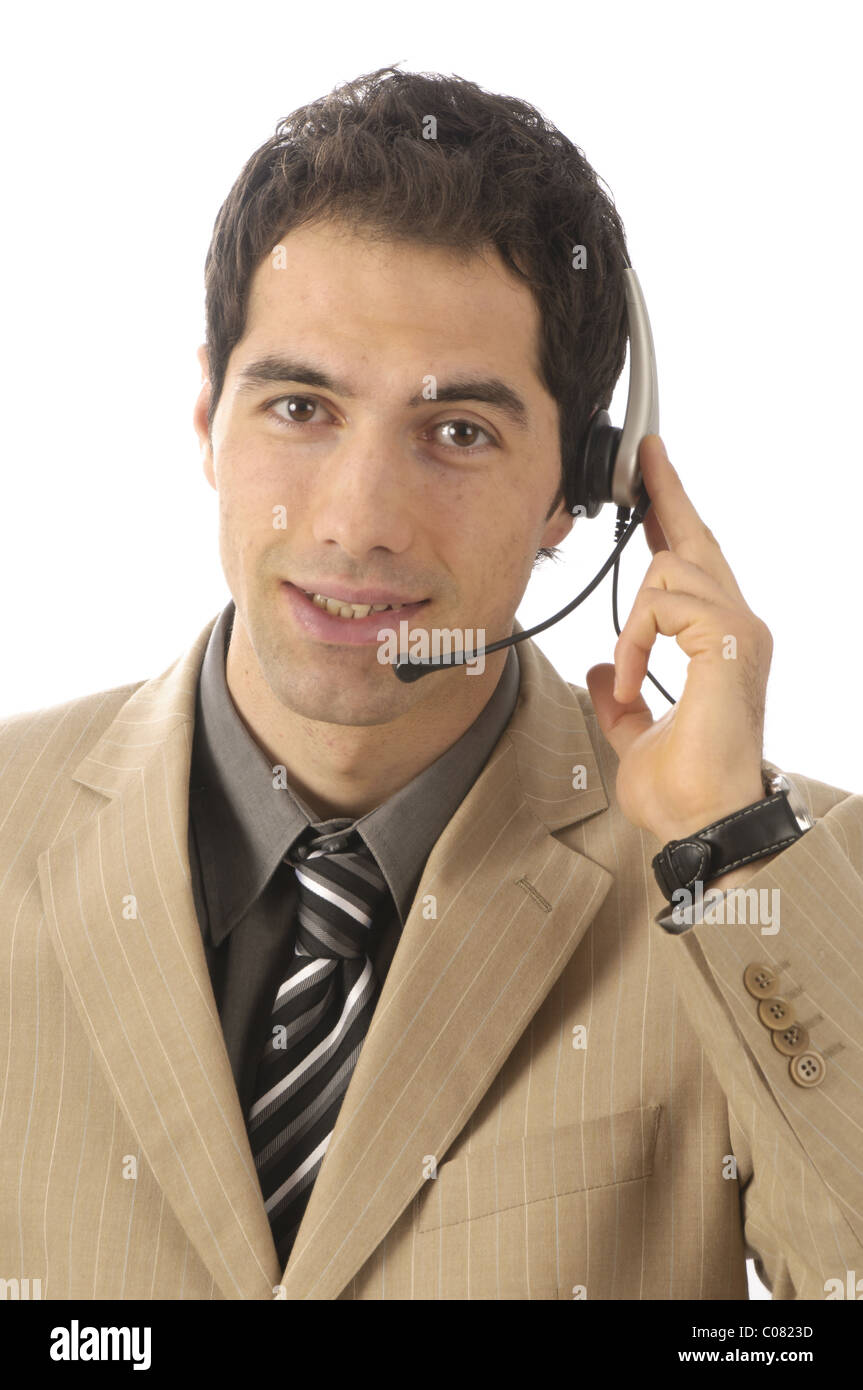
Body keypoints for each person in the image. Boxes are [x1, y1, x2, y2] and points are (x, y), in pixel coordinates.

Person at [2, 64, 861, 1302]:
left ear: (584, 486)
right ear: (205, 418)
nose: (358, 522)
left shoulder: (772, 882)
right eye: (300, 406)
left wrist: (722, 852)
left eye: (456, 431)